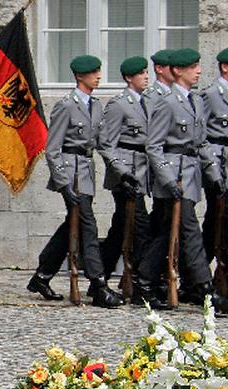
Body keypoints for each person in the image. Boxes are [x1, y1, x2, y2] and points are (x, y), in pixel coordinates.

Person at [26, 55, 123, 308]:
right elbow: (52, 149)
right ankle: (99, 284)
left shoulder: (96, 106)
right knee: (88, 225)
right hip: (70, 173)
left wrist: (123, 168)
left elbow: (103, 144)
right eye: (93, 72)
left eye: (99, 71)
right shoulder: (67, 106)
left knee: (74, 222)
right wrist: (63, 183)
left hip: (86, 172)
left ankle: (42, 275)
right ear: (80, 76)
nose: (99, 76)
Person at [139, 48, 227, 315]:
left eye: (198, 66)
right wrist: (166, 180)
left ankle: (144, 281)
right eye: (192, 67)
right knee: (190, 231)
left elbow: (201, 143)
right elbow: (153, 146)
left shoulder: (195, 101)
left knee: (167, 232)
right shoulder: (167, 102)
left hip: (190, 173)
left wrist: (215, 174)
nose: (198, 71)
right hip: (173, 175)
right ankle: (206, 289)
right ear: (178, 71)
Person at [97, 56, 161, 307]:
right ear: (128, 78)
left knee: (119, 229)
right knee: (140, 228)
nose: (146, 76)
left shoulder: (146, 102)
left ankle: (99, 276)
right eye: (141, 73)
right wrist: (122, 173)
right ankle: (140, 284)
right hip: (125, 176)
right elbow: (106, 145)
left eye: (147, 72)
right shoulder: (118, 105)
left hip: (142, 172)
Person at [201, 48, 228, 267]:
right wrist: (211, 166)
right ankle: (199, 274)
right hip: (217, 161)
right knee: (215, 219)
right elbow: (200, 135)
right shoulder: (211, 94)